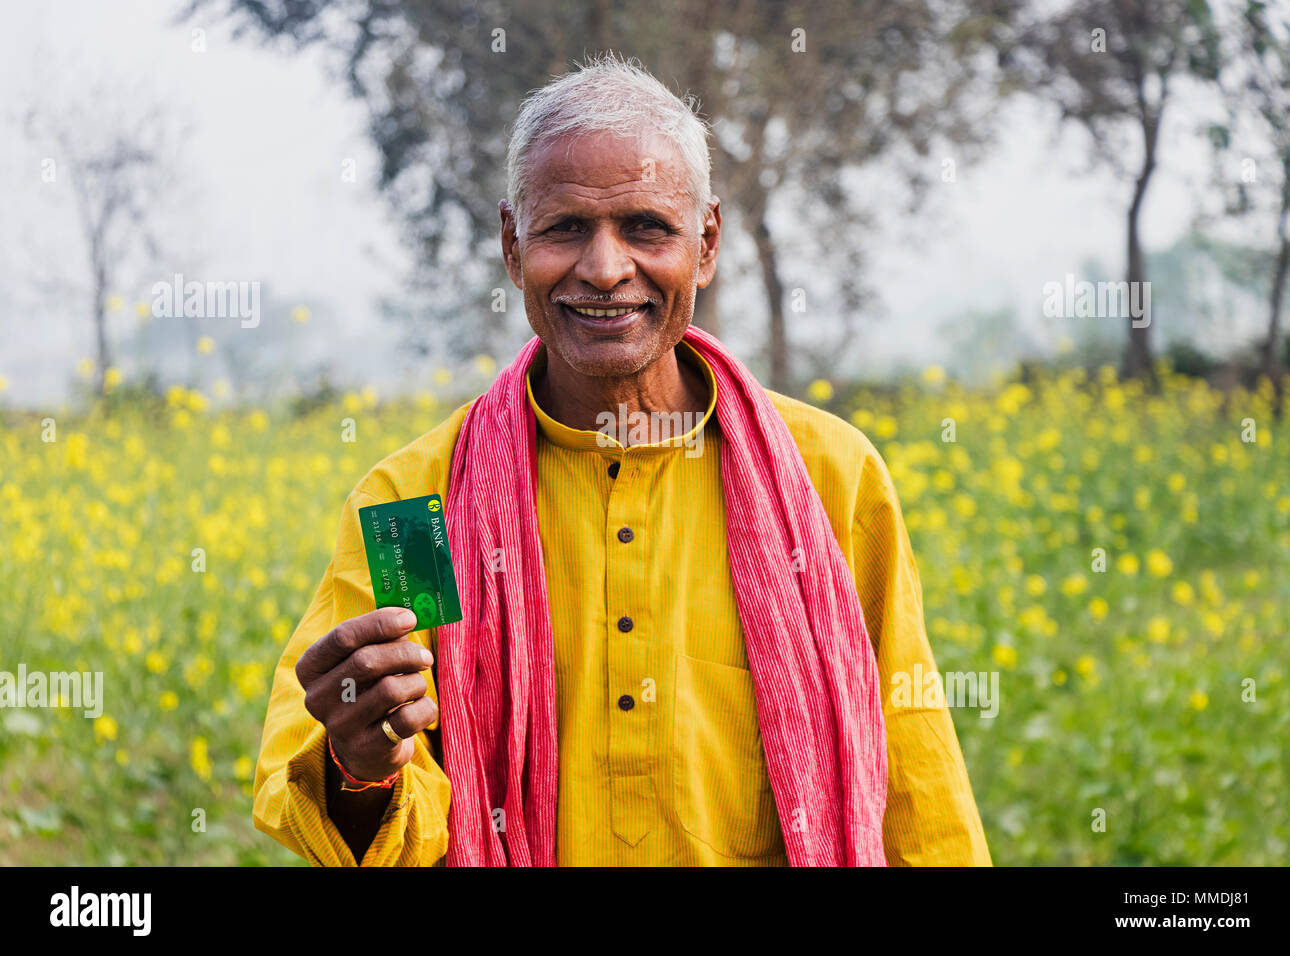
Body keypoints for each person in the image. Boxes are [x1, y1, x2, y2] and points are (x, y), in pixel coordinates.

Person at [253, 53, 991, 866]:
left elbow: (915, 777)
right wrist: (361, 767)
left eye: (646, 227)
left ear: (705, 243)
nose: (605, 269)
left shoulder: (827, 476)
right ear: (511, 245)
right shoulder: (418, 504)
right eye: (565, 228)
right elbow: (362, 806)